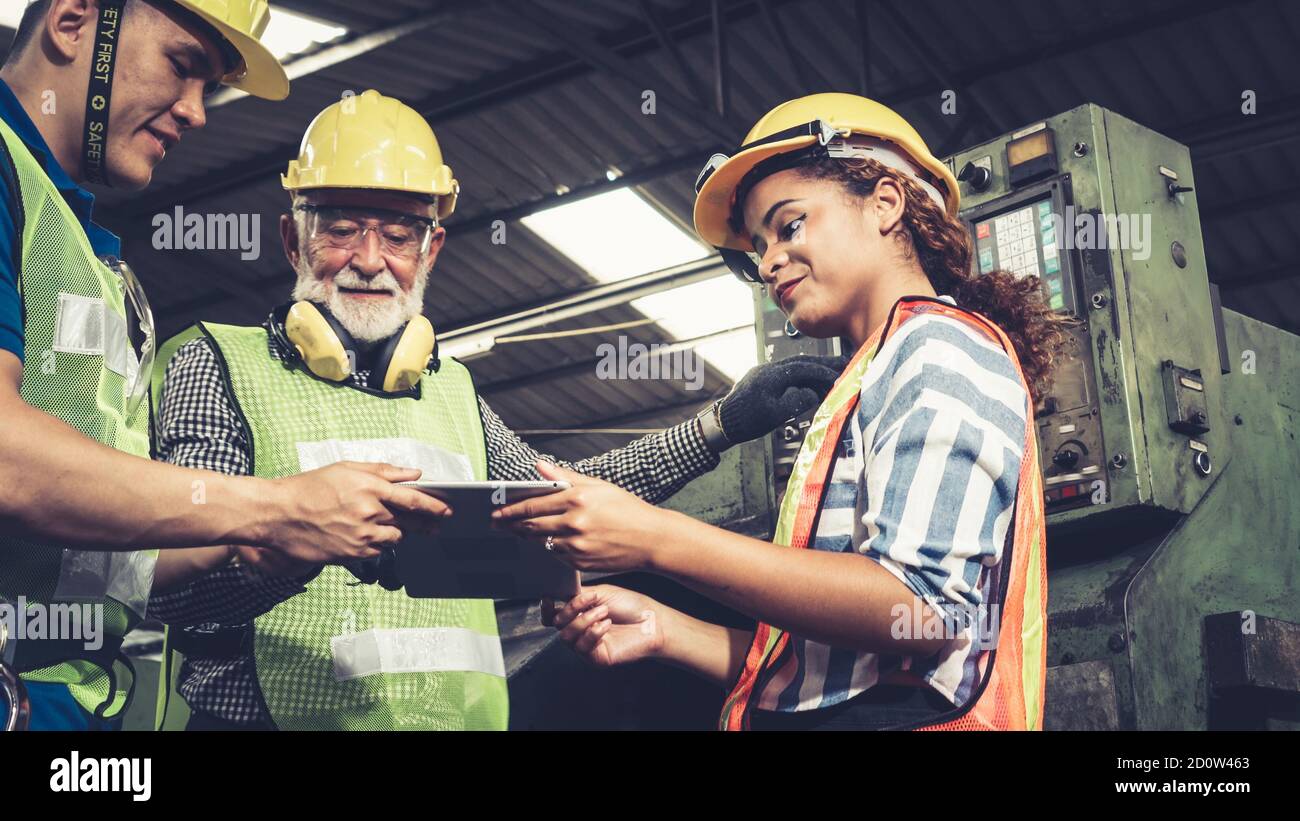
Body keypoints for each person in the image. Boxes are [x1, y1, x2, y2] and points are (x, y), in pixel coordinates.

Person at [147, 90, 847, 731]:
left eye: (396, 234)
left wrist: (719, 424)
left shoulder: (450, 389)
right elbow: (167, 596)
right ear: (294, 241)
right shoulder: (218, 367)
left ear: (431, 249)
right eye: (340, 229)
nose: (368, 259)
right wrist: (292, 548)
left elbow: (565, 499)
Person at [495, 93, 1059, 730]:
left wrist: (655, 538)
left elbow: (923, 610)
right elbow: (840, 676)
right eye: (759, 247)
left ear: (885, 204)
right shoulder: (876, 370)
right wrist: (667, 631)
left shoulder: (938, 347)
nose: (767, 263)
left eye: (789, 226)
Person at [0, 1, 448, 732]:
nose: (197, 112)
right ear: (75, 18)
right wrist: (279, 505)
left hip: (68, 708)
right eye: (183, 66)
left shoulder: (84, 250)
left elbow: (114, 562)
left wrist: (275, 543)